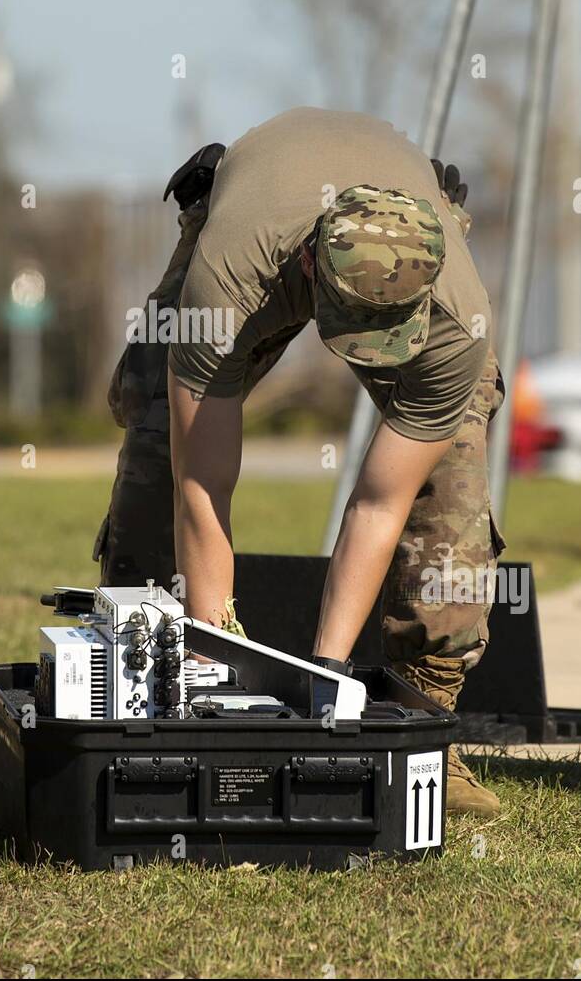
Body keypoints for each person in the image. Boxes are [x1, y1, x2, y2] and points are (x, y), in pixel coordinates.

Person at [94, 107, 505, 816]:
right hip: (252, 232)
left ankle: (420, 729)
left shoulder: (451, 320)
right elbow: (202, 483)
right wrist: (213, 659)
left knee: (450, 497)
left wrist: (326, 677)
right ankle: (151, 694)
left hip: (398, 243)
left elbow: (379, 502)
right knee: (158, 435)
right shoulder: (229, 278)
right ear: (312, 267)